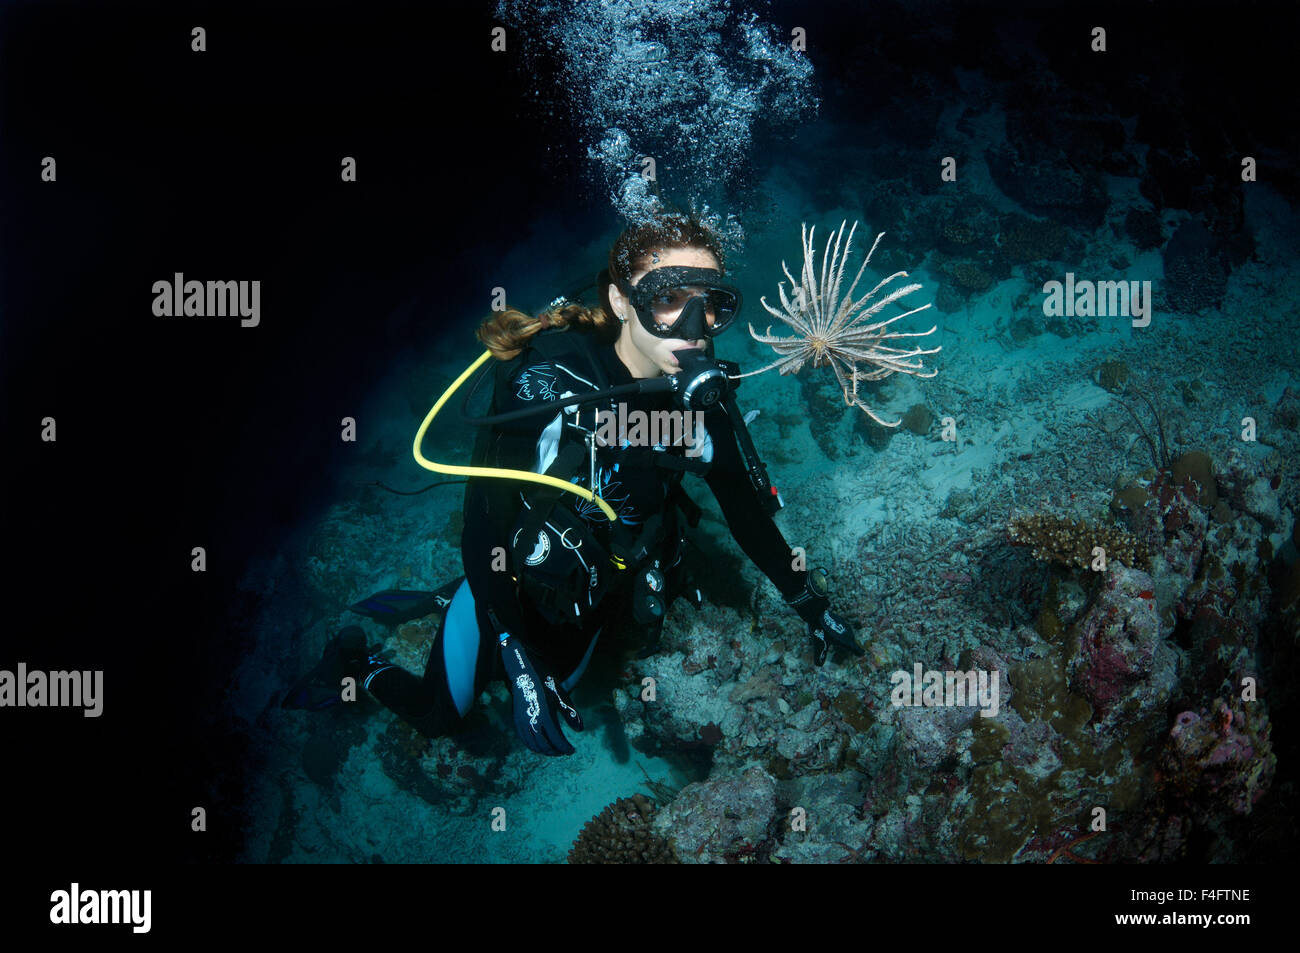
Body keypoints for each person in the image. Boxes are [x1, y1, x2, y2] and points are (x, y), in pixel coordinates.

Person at [284, 212, 861, 755]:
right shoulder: (545, 382)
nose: (693, 329)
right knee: (442, 716)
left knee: (574, 679)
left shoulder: (699, 400)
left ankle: (454, 604)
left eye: (709, 305)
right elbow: (484, 526)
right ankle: (361, 662)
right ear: (620, 300)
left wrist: (808, 603)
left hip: (600, 579)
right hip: (513, 578)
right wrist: (513, 643)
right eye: (666, 299)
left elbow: (745, 513)